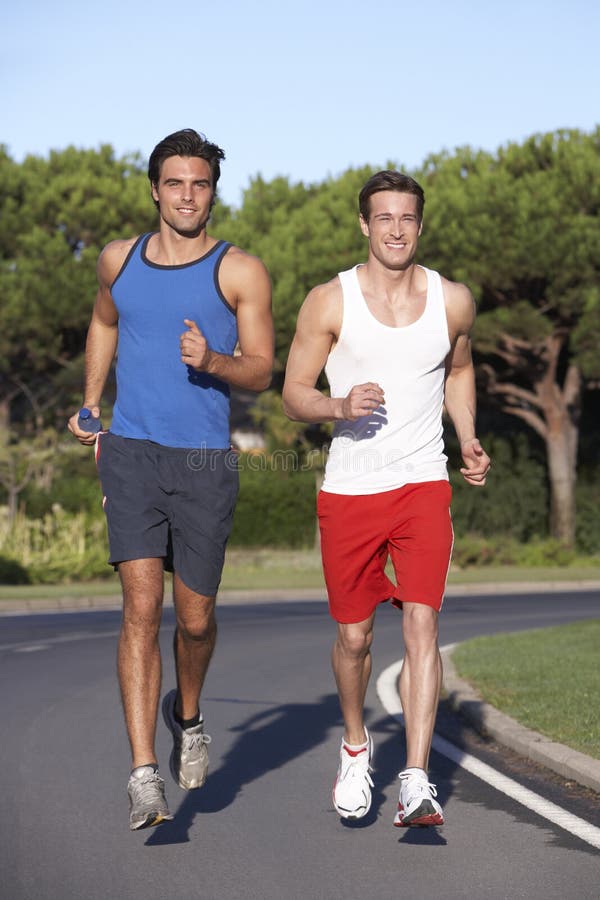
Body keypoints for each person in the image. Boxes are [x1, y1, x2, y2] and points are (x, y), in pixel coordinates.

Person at [68, 128, 274, 831]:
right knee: (138, 609)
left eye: (201, 183)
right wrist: (92, 403)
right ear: (155, 188)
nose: (188, 195)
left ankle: (187, 716)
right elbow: (104, 323)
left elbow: (263, 369)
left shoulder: (239, 270)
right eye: (175, 182)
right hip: (130, 452)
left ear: (213, 192)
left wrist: (213, 360)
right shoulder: (117, 259)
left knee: (194, 620)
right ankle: (143, 773)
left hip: (205, 463)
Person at [282, 170, 490, 827]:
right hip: (350, 487)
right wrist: (339, 404)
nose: (396, 228)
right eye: (384, 218)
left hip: (423, 480)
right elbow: (292, 392)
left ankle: (416, 778)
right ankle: (354, 747)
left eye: (407, 218)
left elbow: (459, 369)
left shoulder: (452, 301)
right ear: (364, 226)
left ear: (419, 226)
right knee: (353, 637)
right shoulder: (329, 301)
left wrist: (468, 435)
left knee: (423, 621)